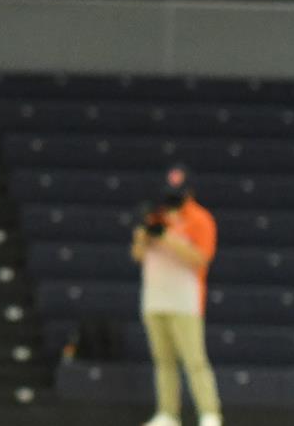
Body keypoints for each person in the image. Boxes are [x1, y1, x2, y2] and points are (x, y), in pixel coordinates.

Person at [130, 171, 221, 426]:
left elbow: (200, 258)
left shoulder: (200, 220)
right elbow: (137, 255)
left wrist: (166, 237)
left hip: (185, 299)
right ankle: (167, 413)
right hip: (155, 296)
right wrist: (143, 234)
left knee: (194, 360)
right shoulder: (155, 216)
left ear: (189, 194)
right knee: (163, 360)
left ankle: (209, 413)